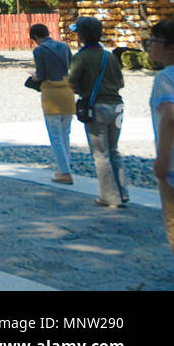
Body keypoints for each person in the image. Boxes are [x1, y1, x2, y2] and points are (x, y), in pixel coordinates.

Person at [67, 15, 128, 208]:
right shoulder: (110, 56)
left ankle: (109, 196)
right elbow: (120, 83)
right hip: (117, 107)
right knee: (114, 150)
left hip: (97, 108)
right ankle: (123, 192)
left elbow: (72, 85)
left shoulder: (81, 58)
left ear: (82, 36)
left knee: (100, 153)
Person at [29, 22, 75, 184]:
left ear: (35, 37)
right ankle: (64, 167)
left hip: (51, 93)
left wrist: (33, 76)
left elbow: (41, 75)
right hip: (67, 91)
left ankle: (64, 172)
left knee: (55, 135)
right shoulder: (64, 46)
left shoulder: (39, 50)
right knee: (65, 133)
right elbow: (71, 65)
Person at [144, 19, 174, 254]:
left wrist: (162, 159)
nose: (150, 45)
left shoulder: (165, 78)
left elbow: (169, 117)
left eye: (154, 40)